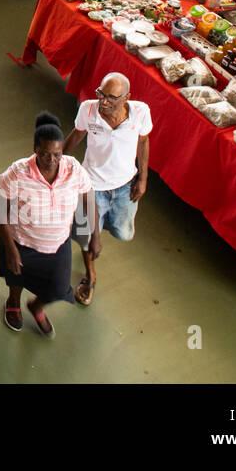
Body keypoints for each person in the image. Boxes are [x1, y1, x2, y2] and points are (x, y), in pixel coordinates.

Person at [0, 112, 99, 337]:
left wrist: (95, 236)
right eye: (44, 154)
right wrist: (11, 250)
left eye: (56, 154)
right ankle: (13, 302)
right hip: (21, 242)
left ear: (62, 151)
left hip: (58, 245)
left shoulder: (73, 169)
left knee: (59, 288)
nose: (51, 160)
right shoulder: (17, 173)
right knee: (16, 279)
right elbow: (0, 212)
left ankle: (37, 306)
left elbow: (89, 199)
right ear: (35, 149)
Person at [62, 73, 151, 306]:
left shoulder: (140, 112)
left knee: (123, 232)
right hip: (91, 186)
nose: (103, 102)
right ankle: (90, 277)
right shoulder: (89, 110)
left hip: (125, 186)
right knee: (88, 238)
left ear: (127, 98)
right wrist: (56, 159)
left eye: (112, 98)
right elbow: (77, 134)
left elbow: (143, 142)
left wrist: (143, 178)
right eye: (101, 94)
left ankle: (100, 229)